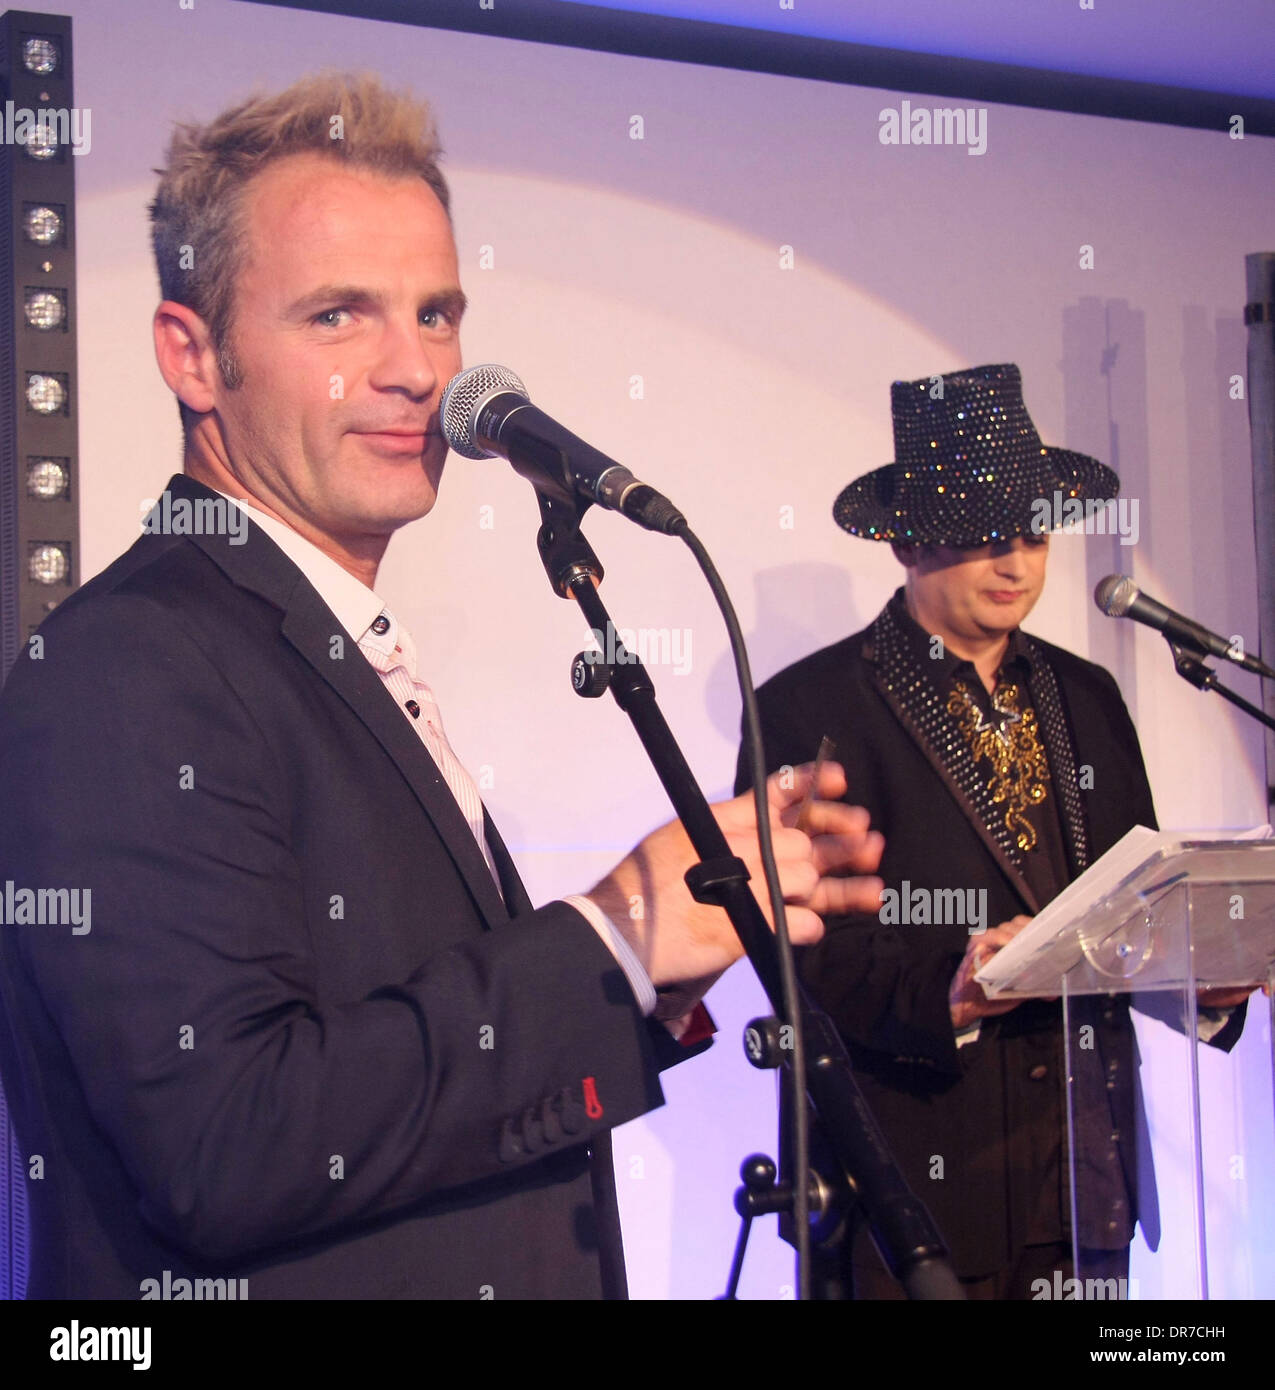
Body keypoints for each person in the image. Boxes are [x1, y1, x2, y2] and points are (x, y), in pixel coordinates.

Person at [0, 73, 885, 1300]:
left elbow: (397, 1060)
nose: (416, 368)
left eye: (437, 311)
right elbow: (230, 1142)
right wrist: (604, 943)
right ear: (193, 356)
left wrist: (656, 966)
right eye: (337, 317)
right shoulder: (126, 666)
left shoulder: (310, 634)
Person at [737, 364, 1249, 1300]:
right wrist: (957, 987)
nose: (1016, 564)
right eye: (981, 539)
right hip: (914, 1189)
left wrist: (1200, 970)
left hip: (1080, 1176)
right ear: (903, 541)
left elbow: (1132, 905)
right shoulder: (810, 707)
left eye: (1032, 535)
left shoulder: (1084, 697)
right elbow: (798, 959)